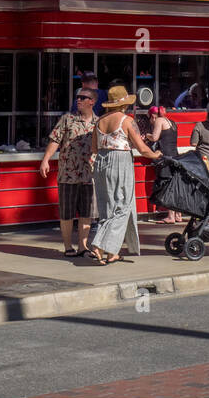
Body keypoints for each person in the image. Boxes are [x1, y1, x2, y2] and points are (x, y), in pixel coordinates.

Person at [89, 86, 162, 266]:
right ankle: (99, 243)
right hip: (120, 160)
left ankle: (112, 252)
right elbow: (142, 148)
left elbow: (94, 148)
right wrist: (156, 155)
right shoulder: (126, 121)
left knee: (107, 206)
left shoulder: (99, 122)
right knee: (124, 205)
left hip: (101, 161)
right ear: (123, 104)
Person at [40, 89, 98, 256]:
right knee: (67, 214)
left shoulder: (98, 122)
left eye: (83, 98)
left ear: (91, 101)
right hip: (68, 174)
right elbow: (55, 140)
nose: (78, 100)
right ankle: (67, 246)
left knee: (86, 214)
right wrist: (46, 159)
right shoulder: (68, 119)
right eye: (77, 97)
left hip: (89, 175)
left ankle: (83, 246)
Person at [146, 106, 183, 224]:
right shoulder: (171, 122)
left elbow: (155, 137)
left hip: (165, 157)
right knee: (175, 184)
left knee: (167, 185)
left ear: (152, 116)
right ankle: (178, 215)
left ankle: (170, 216)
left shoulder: (158, 120)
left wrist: (146, 136)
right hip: (175, 156)